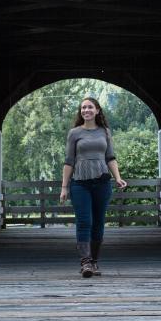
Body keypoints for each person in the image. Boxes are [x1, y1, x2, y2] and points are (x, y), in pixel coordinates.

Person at [59, 96, 127, 277]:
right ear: (80, 112)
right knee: (84, 222)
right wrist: (64, 187)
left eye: (90, 107)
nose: (86, 110)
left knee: (98, 223)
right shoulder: (74, 133)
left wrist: (118, 178)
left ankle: (94, 262)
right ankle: (85, 263)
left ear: (97, 111)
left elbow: (110, 157)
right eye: (83, 108)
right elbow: (69, 161)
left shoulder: (105, 132)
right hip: (80, 184)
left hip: (102, 184)